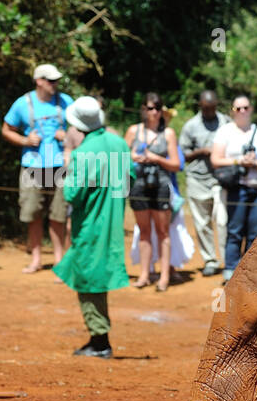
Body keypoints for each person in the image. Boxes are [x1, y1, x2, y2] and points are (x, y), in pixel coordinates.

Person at [53, 97, 130, 358]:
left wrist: (67, 163)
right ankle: (98, 339)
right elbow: (129, 179)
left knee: (88, 279)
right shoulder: (119, 143)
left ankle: (100, 342)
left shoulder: (84, 152)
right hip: (114, 220)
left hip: (90, 224)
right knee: (96, 275)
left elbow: (72, 194)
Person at [2, 64, 74, 273]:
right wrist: (25, 140)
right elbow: (6, 129)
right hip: (32, 167)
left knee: (58, 214)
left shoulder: (66, 102)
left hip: (60, 166)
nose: (55, 85)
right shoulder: (22, 104)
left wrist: (67, 136)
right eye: (51, 81)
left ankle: (60, 259)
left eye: (56, 81)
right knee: (32, 213)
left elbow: (79, 128)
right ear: (39, 81)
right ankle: (36, 259)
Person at [123, 92, 182, 291]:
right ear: (143, 110)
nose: (154, 112)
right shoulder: (133, 131)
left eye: (157, 108)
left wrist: (156, 158)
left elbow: (176, 164)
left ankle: (164, 276)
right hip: (138, 184)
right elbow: (121, 157)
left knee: (163, 231)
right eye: (150, 108)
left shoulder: (168, 134)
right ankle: (144, 274)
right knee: (144, 231)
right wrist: (134, 156)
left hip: (161, 185)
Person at [211, 94, 257, 281]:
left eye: (246, 107)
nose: (243, 111)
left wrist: (256, 162)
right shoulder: (225, 131)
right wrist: (239, 161)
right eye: (239, 108)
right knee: (235, 229)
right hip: (237, 187)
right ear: (232, 111)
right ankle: (231, 268)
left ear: (251, 109)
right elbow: (216, 159)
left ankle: (249, 271)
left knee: (255, 231)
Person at [179, 89, 230, 276]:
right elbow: (183, 155)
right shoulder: (191, 126)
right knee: (202, 223)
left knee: (223, 220)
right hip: (197, 179)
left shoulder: (225, 122)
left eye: (213, 108)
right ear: (200, 106)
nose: (209, 111)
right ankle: (210, 259)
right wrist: (202, 151)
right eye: (206, 108)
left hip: (220, 179)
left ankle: (228, 261)